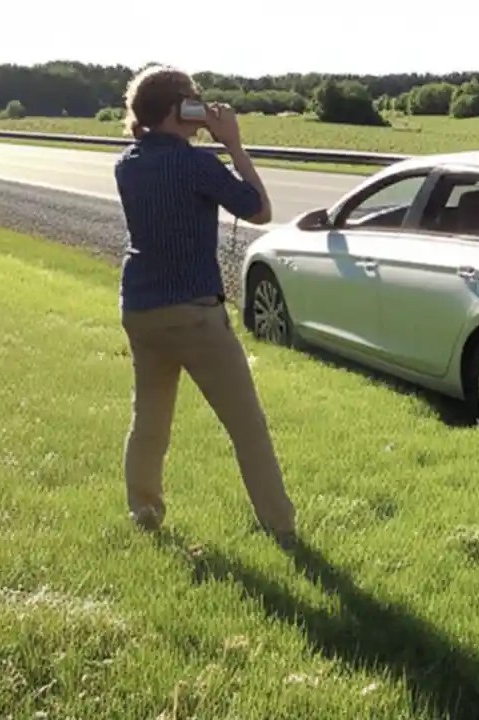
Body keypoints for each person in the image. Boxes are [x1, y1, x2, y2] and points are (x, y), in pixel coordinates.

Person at [112, 65, 297, 549]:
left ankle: (144, 512)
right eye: (195, 99)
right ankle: (281, 527)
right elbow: (259, 209)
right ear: (179, 108)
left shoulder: (127, 163)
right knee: (247, 426)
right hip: (194, 311)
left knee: (150, 419)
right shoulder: (195, 164)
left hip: (141, 307)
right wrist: (232, 142)